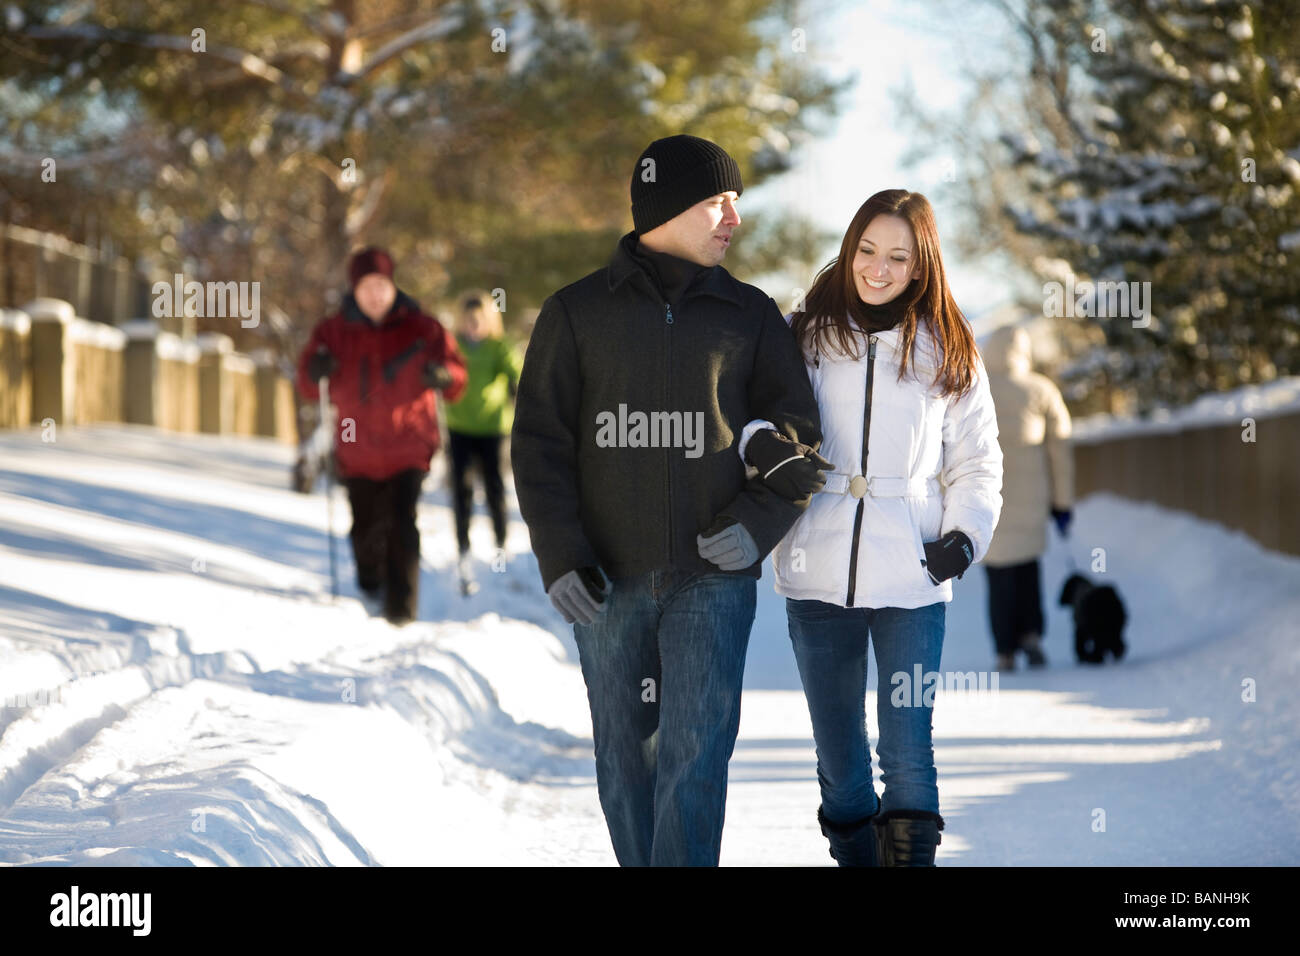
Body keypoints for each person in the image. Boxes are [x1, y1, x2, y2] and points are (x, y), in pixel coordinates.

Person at [511, 134, 828, 866]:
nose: (733, 219)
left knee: (696, 756)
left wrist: (756, 527)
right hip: (605, 582)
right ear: (667, 206)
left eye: (737, 202)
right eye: (718, 201)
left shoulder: (749, 315)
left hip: (713, 583)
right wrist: (561, 556)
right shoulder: (575, 313)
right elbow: (539, 447)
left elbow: (796, 439)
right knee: (626, 762)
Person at [756, 189, 1003, 866]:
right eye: (867, 250)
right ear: (850, 248)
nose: (878, 267)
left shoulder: (948, 345)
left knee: (908, 753)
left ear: (921, 266)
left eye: (898, 256)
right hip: (815, 572)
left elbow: (977, 460)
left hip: (914, 578)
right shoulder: (805, 332)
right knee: (840, 764)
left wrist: (959, 542)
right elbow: (764, 421)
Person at [296, 247, 467, 625]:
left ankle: (402, 613)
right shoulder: (333, 332)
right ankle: (371, 588)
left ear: (392, 286)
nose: (375, 294)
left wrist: (444, 377)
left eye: (381, 285)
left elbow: (457, 377)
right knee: (365, 529)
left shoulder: (423, 328)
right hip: (356, 449)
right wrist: (316, 370)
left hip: (409, 446)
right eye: (366, 286)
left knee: (402, 524)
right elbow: (308, 384)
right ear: (353, 289)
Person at [979, 323, 1074, 671]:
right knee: (1027, 571)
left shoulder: (976, 388)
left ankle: (1004, 650)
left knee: (998, 578)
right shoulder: (1041, 390)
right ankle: (1032, 636)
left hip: (987, 501)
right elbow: (1060, 450)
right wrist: (1063, 503)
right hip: (1032, 502)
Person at [443, 290, 523, 596]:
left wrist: (518, 385)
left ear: (491, 320)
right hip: (460, 426)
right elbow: (445, 371)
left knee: (494, 488)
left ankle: (501, 546)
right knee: (461, 489)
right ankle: (463, 548)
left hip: (492, 429)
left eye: (480, 320)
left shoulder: (498, 347)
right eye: (469, 320)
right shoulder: (454, 347)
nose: (474, 325)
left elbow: (514, 369)